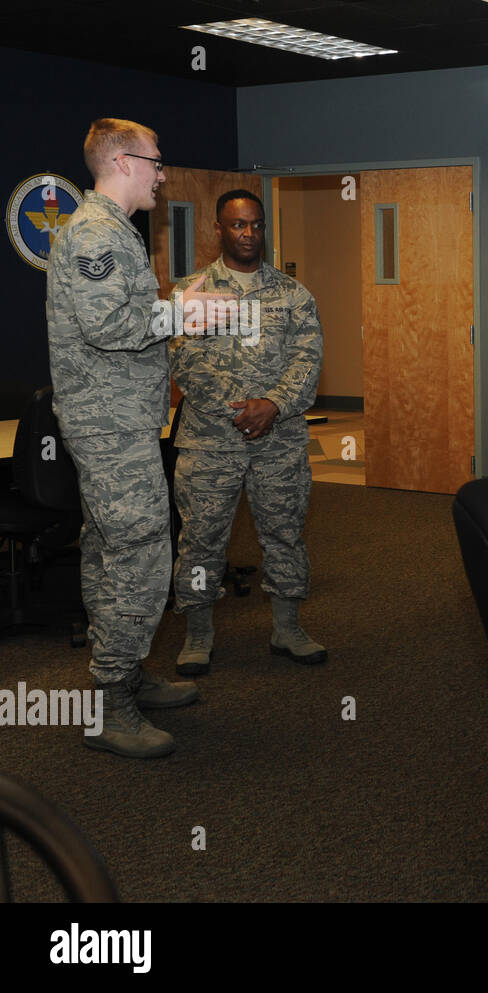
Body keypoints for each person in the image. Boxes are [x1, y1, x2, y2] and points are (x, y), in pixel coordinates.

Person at [46, 118, 228, 758]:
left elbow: (121, 320)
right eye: (155, 161)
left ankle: (122, 677)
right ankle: (112, 707)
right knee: (142, 555)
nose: (162, 173)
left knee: (107, 549)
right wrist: (183, 313)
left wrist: (176, 305)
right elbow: (107, 324)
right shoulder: (95, 231)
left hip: (115, 422)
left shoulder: (112, 230)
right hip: (110, 427)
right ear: (123, 162)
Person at [169, 189, 326, 676]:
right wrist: (241, 410)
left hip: (279, 441)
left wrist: (273, 405)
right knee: (200, 540)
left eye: (256, 225)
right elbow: (184, 360)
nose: (248, 234)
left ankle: (287, 628)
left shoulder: (292, 293)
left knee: (284, 535)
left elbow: (309, 358)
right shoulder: (191, 293)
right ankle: (197, 635)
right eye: (238, 225)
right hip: (210, 441)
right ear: (219, 229)